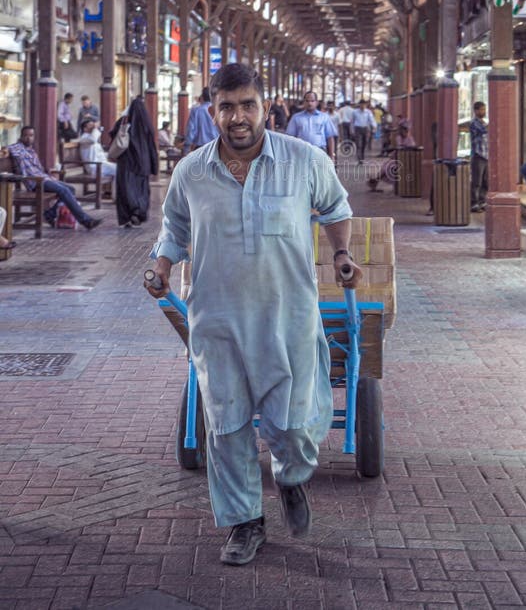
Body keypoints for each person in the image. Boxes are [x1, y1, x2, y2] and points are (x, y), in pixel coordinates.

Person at [145, 63, 362, 566]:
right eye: (226, 107)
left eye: (247, 105)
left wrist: (342, 254)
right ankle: (245, 522)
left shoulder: (304, 160)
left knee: (294, 425)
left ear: (265, 106)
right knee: (226, 426)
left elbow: (335, 207)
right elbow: (174, 230)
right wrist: (159, 267)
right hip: (217, 319)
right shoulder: (191, 171)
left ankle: (290, 478)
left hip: (287, 317)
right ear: (211, 111)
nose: (237, 117)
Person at [8, 126, 102, 230]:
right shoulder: (17, 147)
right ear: (21, 136)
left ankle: (50, 214)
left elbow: (38, 168)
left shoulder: (31, 150)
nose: (28, 138)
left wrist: (48, 171)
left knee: (71, 189)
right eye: (25, 135)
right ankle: (86, 221)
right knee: (64, 190)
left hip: (44, 177)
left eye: (31, 135)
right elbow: (10, 149)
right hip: (35, 182)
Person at [109, 97, 158, 228]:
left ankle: (126, 217)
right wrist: (154, 166)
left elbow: (113, 134)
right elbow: (152, 146)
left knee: (126, 189)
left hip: (126, 163)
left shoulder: (124, 122)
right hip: (143, 163)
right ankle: (138, 212)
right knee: (141, 189)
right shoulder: (147, 125)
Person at [368, 118, 415, 192]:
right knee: (385, 167)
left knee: (389, 166)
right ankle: (375, 182)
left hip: (406, 161)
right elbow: (398, 147)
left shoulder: (410, 139)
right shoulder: (399, 138)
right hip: (397, 159)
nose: (404, 132)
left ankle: (375, 181)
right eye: (402, 130)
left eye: (405, 130)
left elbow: (411, 149)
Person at [285, 91, 336, 160]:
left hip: (320, 151)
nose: (309, 103)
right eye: (307, 101)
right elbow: (290, 137)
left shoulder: (324, 117)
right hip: (301, 152)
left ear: (317, 102)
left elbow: (330, 137)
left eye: (312, 101)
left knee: (319, 171)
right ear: (304, 102)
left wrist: (332, 155)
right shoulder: (296, 117)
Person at [78, 117, 117, 183]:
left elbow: (99, 153)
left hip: (99, 165)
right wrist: (95, 128)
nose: (93, 127)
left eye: (93, 125)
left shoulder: (91, 137)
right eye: (90, 125)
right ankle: (119, 192)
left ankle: (114, 191)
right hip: (93, 167)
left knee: (119, 168)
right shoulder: (84, 138)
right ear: (85, 129)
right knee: (118, 170)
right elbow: (92, 140)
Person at [184, 86, 218, 153]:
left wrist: (187, 146)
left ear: (202, 97)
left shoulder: (196, 111)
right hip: (216, 147)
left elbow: (191, 129)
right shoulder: (218, 110)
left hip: (200, 147)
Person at [469, 101, 488, 212]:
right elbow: (484, 130)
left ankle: (482, 202)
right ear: (475, 111)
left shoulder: (484, 122)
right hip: (478, 155)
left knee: (485, 181)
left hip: (486, 155)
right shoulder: (474, 123)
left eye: (484, 109)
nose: (483, 112)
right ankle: (474, 203)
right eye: (481, 109)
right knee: (477, 181)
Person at [350, 99, 376, 163]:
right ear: (359, 105)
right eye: (361, 104)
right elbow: (352, 121)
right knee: (358, 144)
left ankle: (362, 156)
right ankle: (359, 158)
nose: (362, 106)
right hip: (357, 129)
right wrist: (352, 130)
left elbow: (371, 120)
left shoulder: (368, 112)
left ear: (366, 105)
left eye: (364, 104)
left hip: (365, 129)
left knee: (365, 143)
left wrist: (374, 127)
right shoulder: (355, 112)